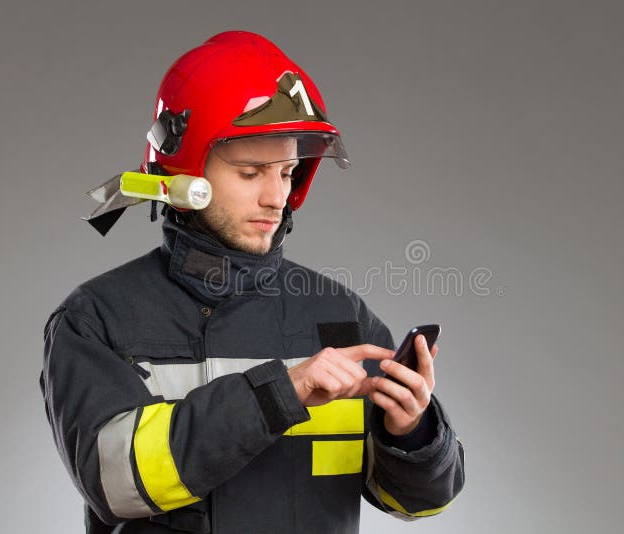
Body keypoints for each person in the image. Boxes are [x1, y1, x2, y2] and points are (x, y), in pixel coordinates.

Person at [41, 31, 465, 534]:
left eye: (286, 172)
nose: (276, 197)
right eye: (251, 172)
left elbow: (418, 504)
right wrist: (281, 393)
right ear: (181, 170)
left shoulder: (339, 316)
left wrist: (410, 431)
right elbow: (115, 483)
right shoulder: (98, 318)